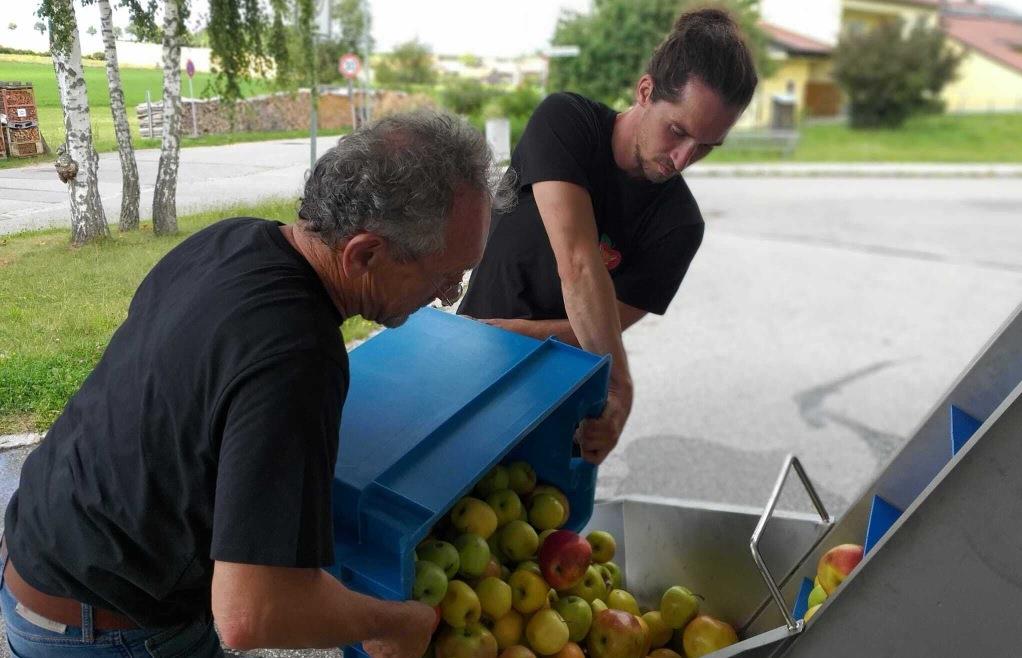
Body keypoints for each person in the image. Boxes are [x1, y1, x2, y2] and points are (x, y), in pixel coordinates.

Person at [1, 111, 510, 657]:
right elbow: (256, 612)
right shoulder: (298, 352)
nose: (449, 296)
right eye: (446, 276)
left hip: (38, 550)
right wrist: (396, 623)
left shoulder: (232, 239)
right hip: (109, 626)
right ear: (364, 253)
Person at [457, 8, 758, 466]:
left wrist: (513, 337)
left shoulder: (680, 225)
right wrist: (621, 385)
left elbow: (606, 327)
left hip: (562, 403)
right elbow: (578, 263)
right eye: (677, 131)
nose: (682, 158)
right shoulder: (566, 122)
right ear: (646, 91)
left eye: (705, 146)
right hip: (468, 360)